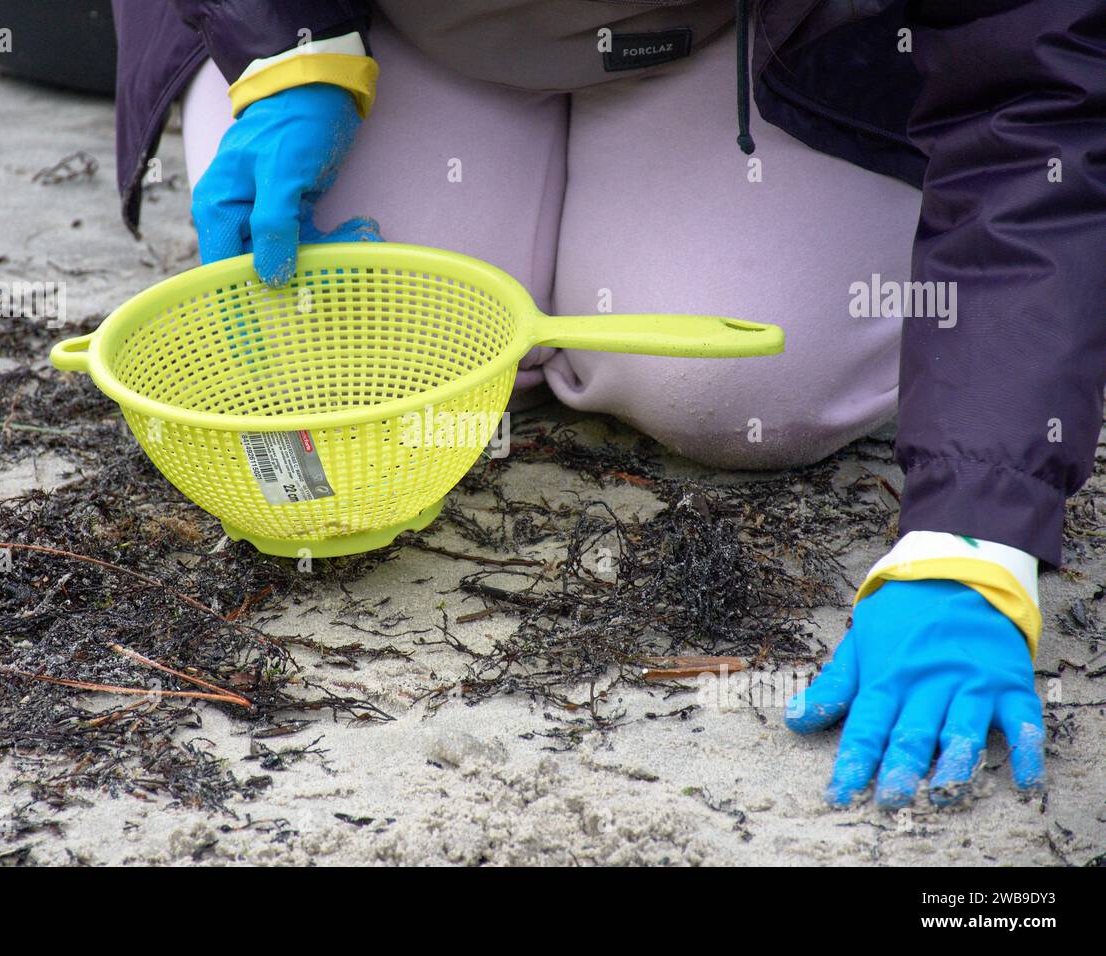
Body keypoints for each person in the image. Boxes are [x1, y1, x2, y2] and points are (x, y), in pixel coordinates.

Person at [110, 1, 1105, 808]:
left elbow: (1034, 88)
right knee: (355, 341)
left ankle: (595, 239)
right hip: (384, 31)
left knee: (744, 380)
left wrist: (970, 533)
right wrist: (286, 47)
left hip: (738, 43)